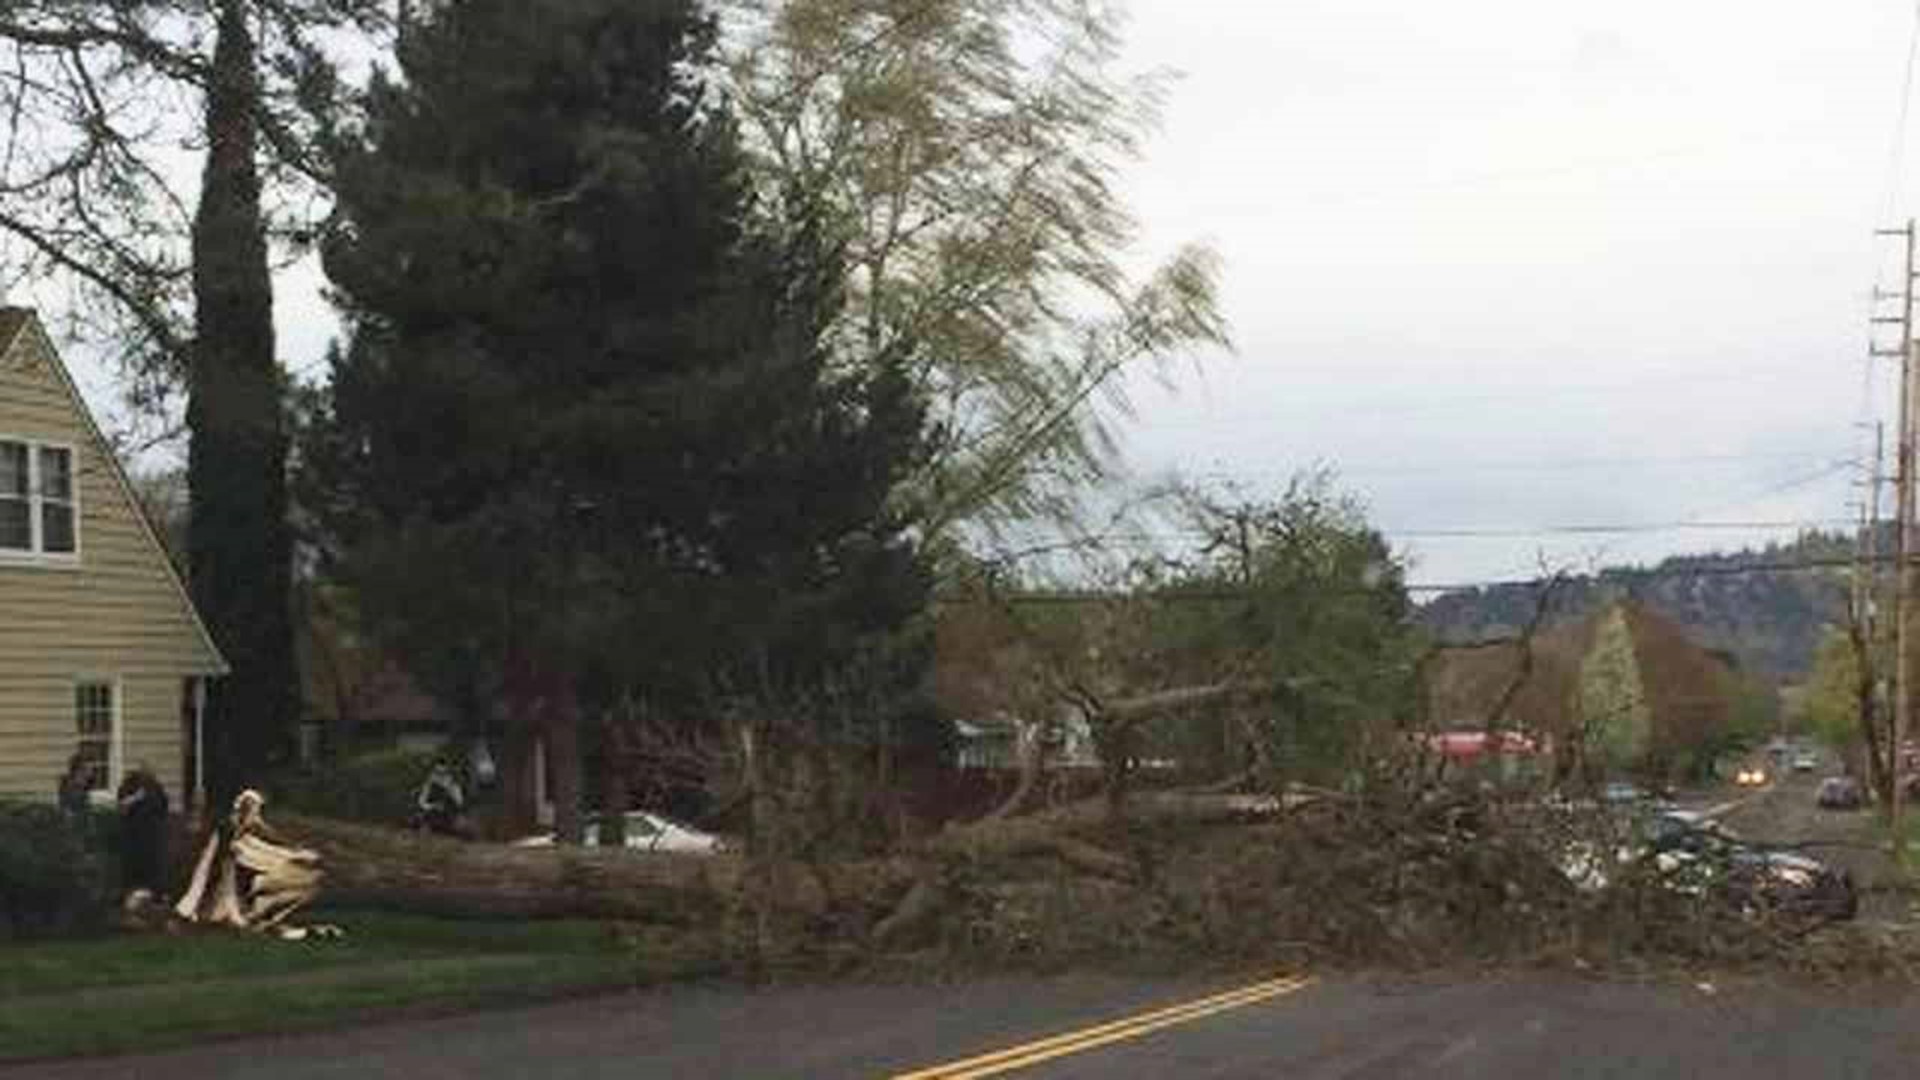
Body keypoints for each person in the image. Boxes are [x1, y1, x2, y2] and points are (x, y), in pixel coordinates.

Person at [116, 762, 171, 900]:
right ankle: (132, 892)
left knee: (154, 865)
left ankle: (157, 893)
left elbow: (163, 807)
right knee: (134, 865)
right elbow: (122, 808)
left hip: (153, 835)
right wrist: (136, 798)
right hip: (134, 834)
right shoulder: (129, 787)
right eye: (145, 773)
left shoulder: (156, 788)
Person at [415, 760, 466, 837]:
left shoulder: (453, 786)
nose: (439, 777)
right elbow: (421, 801)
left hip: (449, 814)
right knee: (419, 818)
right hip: (432, 812)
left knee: (459, 825)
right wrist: (433, 806)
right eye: (437, 773)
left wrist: (449, 801)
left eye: (442, 774)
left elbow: (459, 802)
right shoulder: (429, 785)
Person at [57, 750, 92, 815]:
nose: (89, 773)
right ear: (77, 770)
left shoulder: (84, 788)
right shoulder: (68, 786)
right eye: (85, 769)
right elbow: (63, 807)